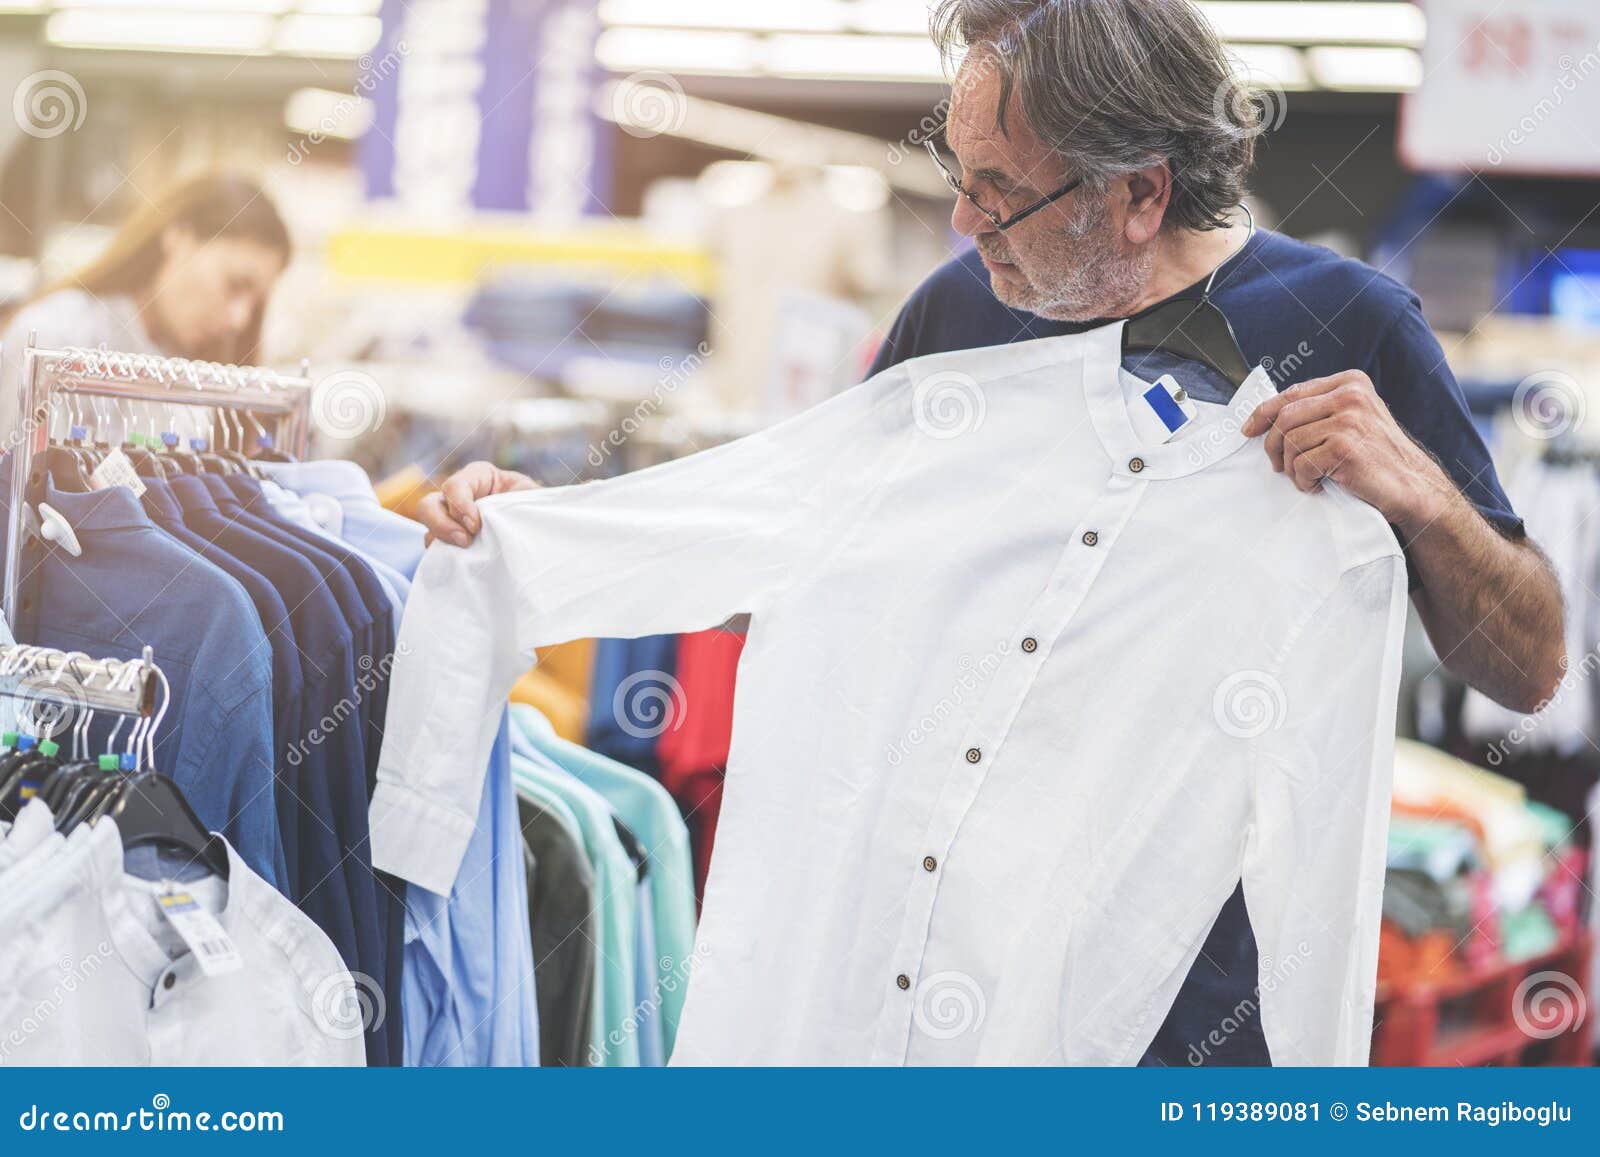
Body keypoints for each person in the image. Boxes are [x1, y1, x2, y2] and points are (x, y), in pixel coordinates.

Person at [418, 0, 1565, 1066]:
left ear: (1140, 194)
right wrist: (553, 534)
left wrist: (1419, 493)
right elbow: (811, 543)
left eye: (1001, 190)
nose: (966, 222)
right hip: (922, 986)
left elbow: (1530, 664)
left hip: (1188, 1018)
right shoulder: (954, 321)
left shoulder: (1350, 329)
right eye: (958, 181)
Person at [0, 172, 290, 444]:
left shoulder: (198, 375)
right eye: (235, 284)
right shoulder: (54, 338)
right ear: (180, 237)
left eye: (256, 303)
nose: (240, 319)